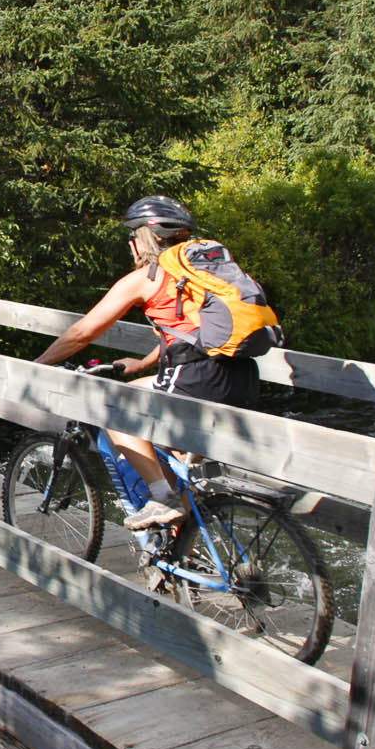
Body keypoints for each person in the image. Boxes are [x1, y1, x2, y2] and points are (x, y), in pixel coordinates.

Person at [32, 195, 266, 530]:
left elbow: (82, 333)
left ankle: (163, 498)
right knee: (167, 456)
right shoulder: (200, 274)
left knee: (114, 407)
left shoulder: (147, 278)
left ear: (138, 240)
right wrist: (143, 363)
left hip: (197, 379)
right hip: (242, 378)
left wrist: (37, 365)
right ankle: (177, 559)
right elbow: (191, 333)